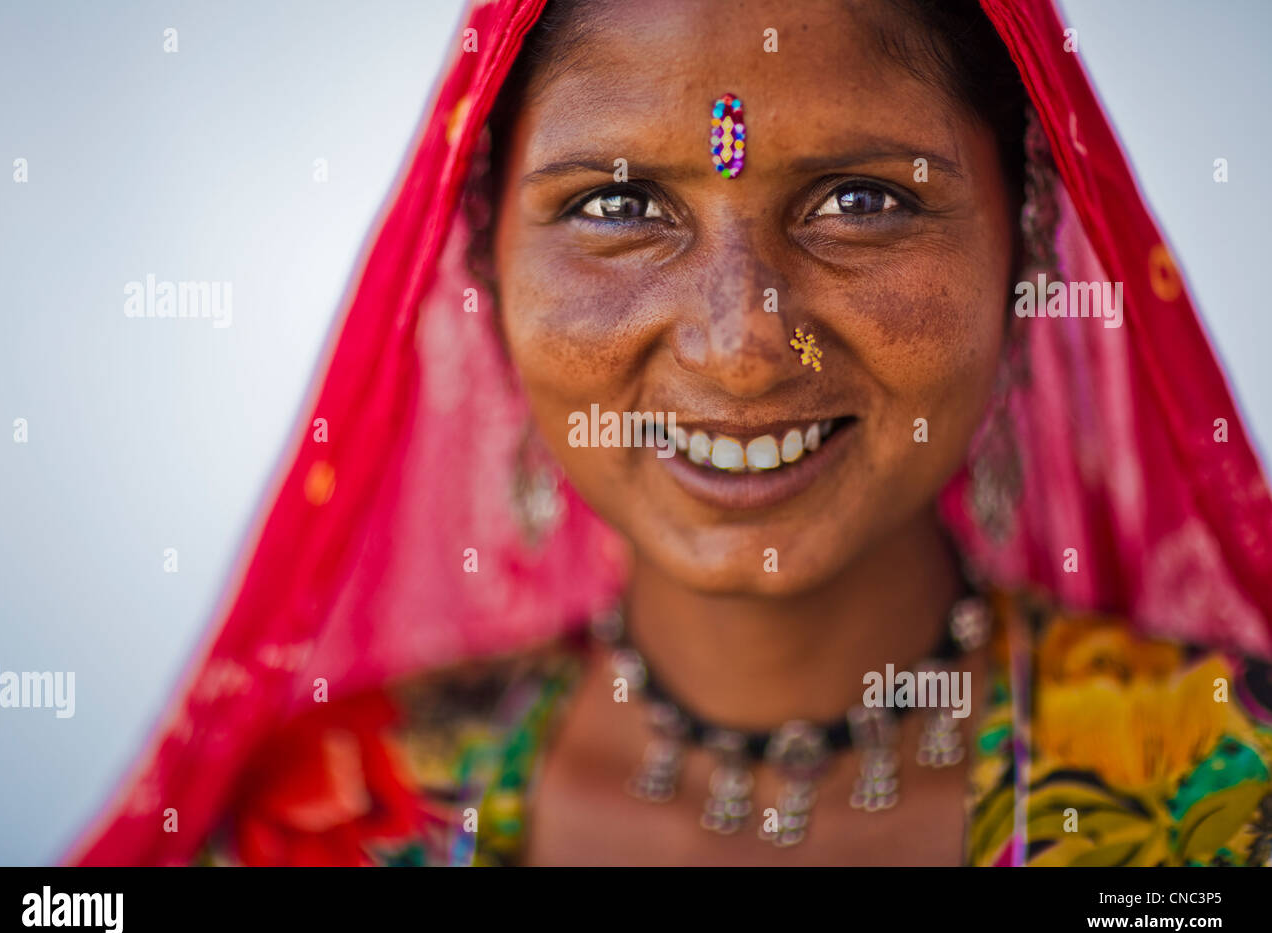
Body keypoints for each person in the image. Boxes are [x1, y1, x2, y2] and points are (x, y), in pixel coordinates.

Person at [69, 0, 1272, 867]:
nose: (739, 343)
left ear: (1025, 249)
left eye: (864, 201)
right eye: (619, 206)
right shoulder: (330, 817)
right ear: (482, 258)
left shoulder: (1220, 797)